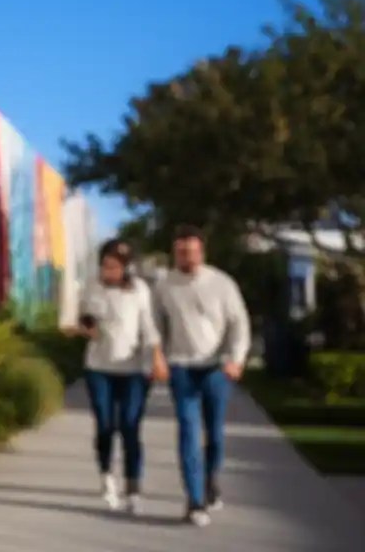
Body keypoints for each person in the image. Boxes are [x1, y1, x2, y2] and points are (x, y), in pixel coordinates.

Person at [153, 225, 251, 527]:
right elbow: (155, 326)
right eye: (182, 252)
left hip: (217, 368)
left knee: (215, 434)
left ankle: (210, 479)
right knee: (187, 430)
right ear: (174, 252)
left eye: (193, 251)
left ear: (202, 252)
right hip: (182, 367)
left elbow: (239, 324)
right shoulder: (164, 285)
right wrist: (157, 357)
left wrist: (236, 360)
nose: (188, 257)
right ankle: (194, 501)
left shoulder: (222, 283)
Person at [65, 238, 166, 515]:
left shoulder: (139, 291)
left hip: (134, 370)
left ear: (126, 268)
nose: (108, 271)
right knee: (105, 424)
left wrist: (157, 356)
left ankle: (133, 487)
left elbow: (149, 326)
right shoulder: (92, 288)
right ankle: (107, 475)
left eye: (114, 266)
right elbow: (84, 318)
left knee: (131, 427)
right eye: (105, 265)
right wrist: (84, 328)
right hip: (99, 368)